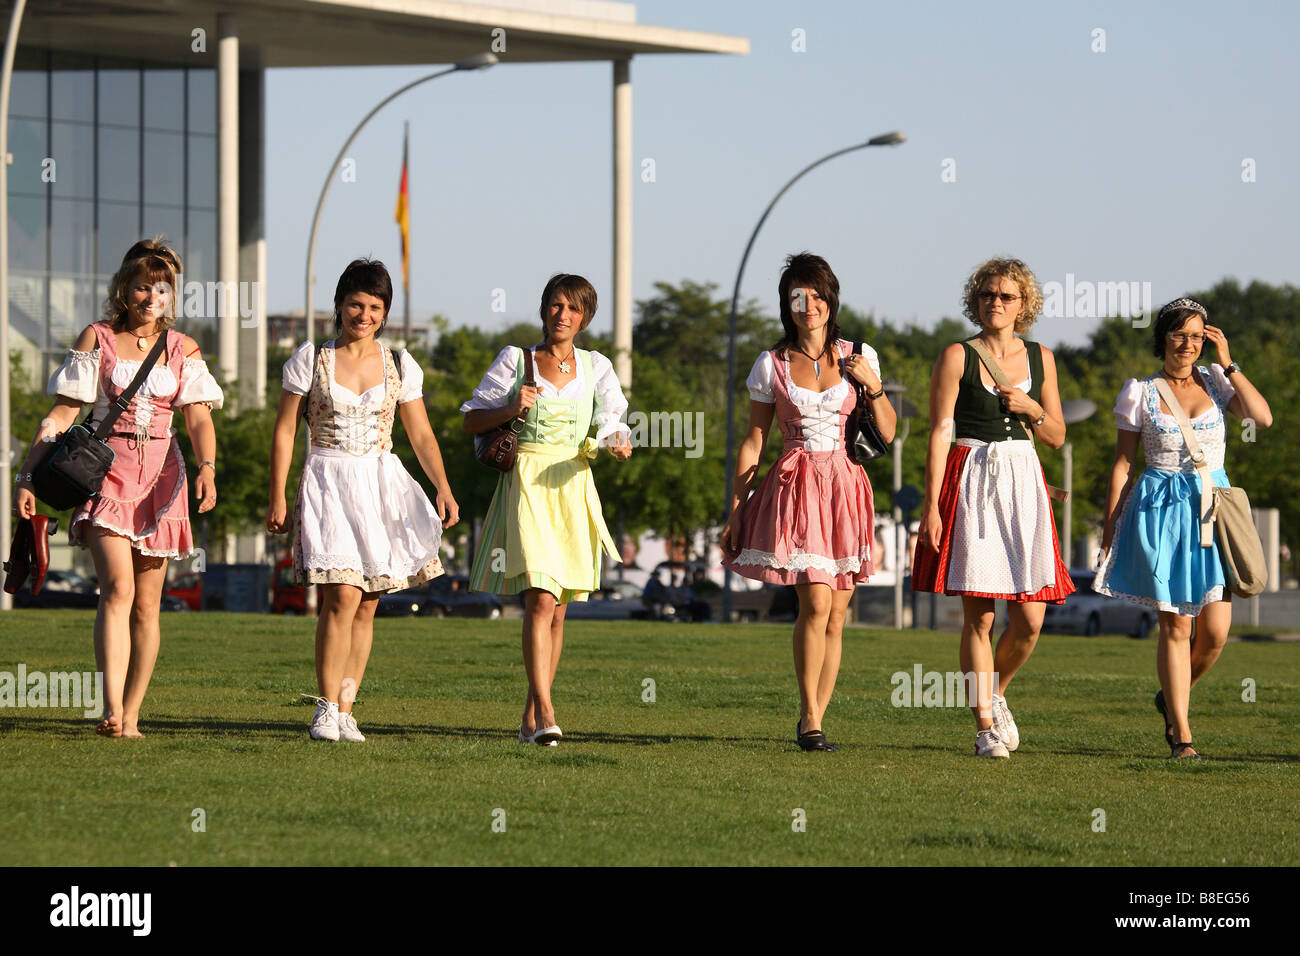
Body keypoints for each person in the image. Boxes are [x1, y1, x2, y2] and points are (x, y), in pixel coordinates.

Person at [12, 237, 223, 738]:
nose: (152, 298)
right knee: (118, 590)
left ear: (172, 296)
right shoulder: (98, 337)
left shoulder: (183, 348)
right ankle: (109, 707)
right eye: (142, 287)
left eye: (162, 290)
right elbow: (63, 414)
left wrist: (207, 466)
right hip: (105, 472)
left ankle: (131, 716)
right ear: (124, 290)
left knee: (148, 605)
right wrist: (27, 475)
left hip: (163, 479)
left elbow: (196, 417)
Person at [267, 258, 459, 742]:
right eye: (356, 303)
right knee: (341, 595)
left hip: (379, 481)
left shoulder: (398, 363)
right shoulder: (311, 359)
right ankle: (325, 707)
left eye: (375, 306)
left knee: (369, 602)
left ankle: (347, 707)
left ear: (386, 311)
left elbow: (420, 432)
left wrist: (443, 486)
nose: (365, 314)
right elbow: (286, 429)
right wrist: (277, 495)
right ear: (339, 304)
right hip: (328, 478)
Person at [721, 252, 896, 751]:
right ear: (787, 304)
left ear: (830, 299)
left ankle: (817, 717)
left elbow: (886, 433)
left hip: (845, 485)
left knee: (838, 612)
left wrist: (874, 387)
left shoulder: (859, 356)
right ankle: (809, 717)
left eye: (817, 295)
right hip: (796, 486)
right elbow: (754, 438)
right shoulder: (770, 364)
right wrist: (736, 508)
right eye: (798, 296)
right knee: (815, 600)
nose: (809, 305)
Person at [1095, 298, 1271, 758]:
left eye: (1197, 335)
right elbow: (1123, 464)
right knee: (1175, 626)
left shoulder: (1217, 382)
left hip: (1213, 511)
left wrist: (1229, 362)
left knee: (1214, 632)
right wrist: (1111, 524)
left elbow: (1261, 418)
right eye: (1179, 335)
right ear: (1163, 339)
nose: (1188, 344)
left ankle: (1172, 696)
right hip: (1160, 511)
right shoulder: (1141, 392)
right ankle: (1182, 736)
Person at [911, 257, 1073, 759]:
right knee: (979, 617)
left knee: (1030, 619)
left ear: (1024, 304)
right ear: (975, 301)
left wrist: (1032, 408)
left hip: (1024, 480)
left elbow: (1056, 436)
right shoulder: (957, 355)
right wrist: (931, 506)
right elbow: (939, 431)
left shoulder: (1042, 357)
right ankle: (984, 724)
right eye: (987, 295)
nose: (995, 303)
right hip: (973, 476)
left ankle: (995, 691)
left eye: (1006, 296)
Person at [462, 273, 632, 746]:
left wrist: (619, 440)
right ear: (543, 310)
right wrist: (511, 407)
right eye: (556, 305)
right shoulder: (515, 360)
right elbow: (472, 419)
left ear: (585, 318)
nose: (563, 315)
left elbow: (614, 420)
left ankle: (529, 718)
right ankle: (549, 711)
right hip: (528, 483)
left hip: (573, 483)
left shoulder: (596, 366)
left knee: (558, 611)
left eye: (573, 309)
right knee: (538, 599)